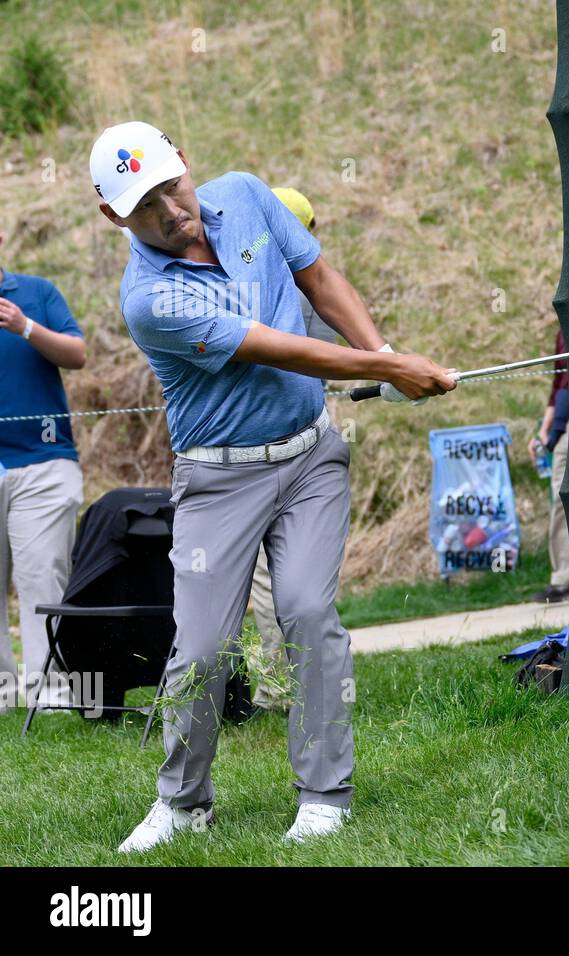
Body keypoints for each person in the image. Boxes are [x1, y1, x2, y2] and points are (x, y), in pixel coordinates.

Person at [89, 121, 456, 852]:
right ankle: (183, 802)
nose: (170, 209)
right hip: (219, 480)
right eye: (145, 205)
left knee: (307, 611)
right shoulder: (149, 299)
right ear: (114, 217)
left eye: (172, 186)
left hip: (310, 459)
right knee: (201, 648)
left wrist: (379, 351)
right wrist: (389, 371)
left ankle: (325, 795)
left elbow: (316, 278)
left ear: (186, 163)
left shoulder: (249, 197)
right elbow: (275, 347)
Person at [244, 187, 335, 713]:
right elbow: (332, 358)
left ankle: (274, 688)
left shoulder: (241, 285)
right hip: (309, 432)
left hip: (252, 443)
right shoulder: (305, 287)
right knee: (302, 571)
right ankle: (306, 681)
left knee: (261, 574)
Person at [0, 229, 87, 713]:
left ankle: (50, 700)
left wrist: (25, 326)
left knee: (42, 580)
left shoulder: (36, 293)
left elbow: (77, 355)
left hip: (43, 464)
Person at [529, 329, 569, 603]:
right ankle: (564, 580)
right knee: (561, 497)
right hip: (565, 425)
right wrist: (544, 431)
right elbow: (558, 384)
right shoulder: (561, 331)